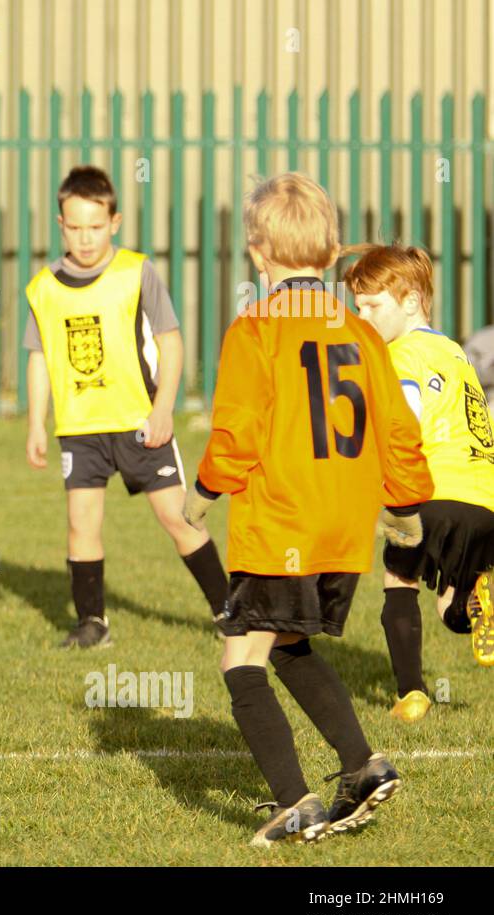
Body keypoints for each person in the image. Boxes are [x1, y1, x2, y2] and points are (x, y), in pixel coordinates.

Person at [184, 173, 433, 846]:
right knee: (290, 643)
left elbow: (236, 435)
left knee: (240, 658)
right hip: (343, 532)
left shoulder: (254, 330)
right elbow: (400, 433)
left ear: (258, 253)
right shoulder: (359, 331)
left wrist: (200, 495)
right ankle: (361, 765)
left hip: (282, 525)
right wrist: (406, 509)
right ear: (329, 255)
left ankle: (295, 802)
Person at [24, 165, 229, 649]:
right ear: (60, 224)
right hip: (80, 428)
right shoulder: (44, 288)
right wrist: (37, 421)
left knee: (178, 518)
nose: (85, 237)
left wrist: (163, 408)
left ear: (114, 222)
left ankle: (227, 610)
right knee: (81, 524)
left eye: (95, 227)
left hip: (140, 423)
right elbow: (39, 356)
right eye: (74, 227)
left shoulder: (136, 272)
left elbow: (171, 342)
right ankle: (92, 623)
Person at [344, 243, 494, 687]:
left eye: (372, 305)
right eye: (357, 306)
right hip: (485, 498)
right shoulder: (456, 353)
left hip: (430, 492)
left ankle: (411, 692)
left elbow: (403, 417)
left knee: (398, 579)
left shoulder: (401, 354)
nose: (363, 316)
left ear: (410, 302)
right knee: (452, 609)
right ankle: (478, 595)